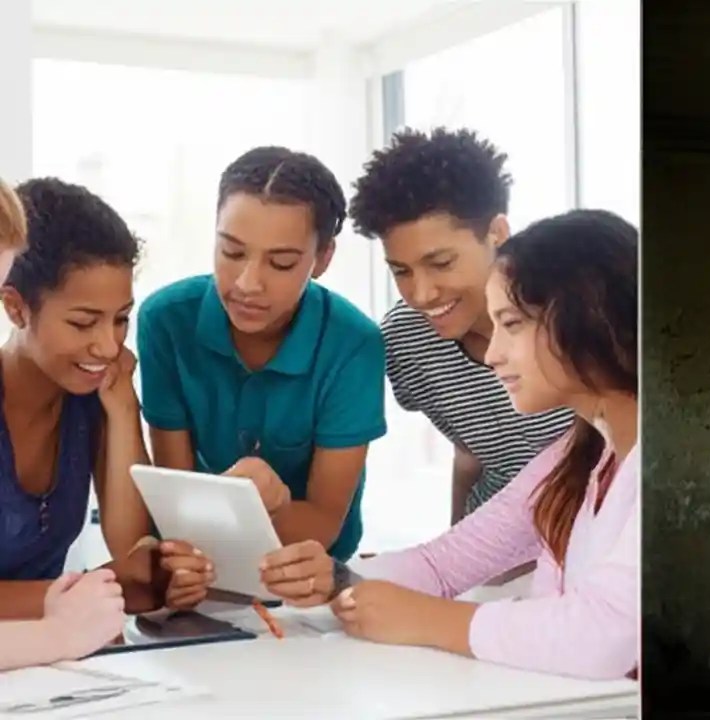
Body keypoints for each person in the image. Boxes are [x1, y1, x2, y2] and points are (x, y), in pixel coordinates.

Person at [260, 209, 638, 680]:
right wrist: (334, 578)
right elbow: (446, 565)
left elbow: (606, 637)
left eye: (512, 324)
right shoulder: (578, 455)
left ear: (587, 315)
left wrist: (427, 619)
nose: (493, 354)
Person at [137, 146, 387, 564]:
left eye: (282, 263)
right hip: (197, 563)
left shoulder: (354, 344)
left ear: (323, 258)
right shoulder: (166, 321)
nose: (248, 284)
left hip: (308, 566)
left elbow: (324, 522)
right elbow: (177, 504)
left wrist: (272, 504)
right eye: (232, 253)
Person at [0, 178, 204, 667]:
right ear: (15, 307)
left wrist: (123, 407)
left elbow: (134, 555)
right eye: (83, 322)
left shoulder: (90, 400)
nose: (109, 346)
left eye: (121, 319)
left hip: (51, 667)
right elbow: (126, 582)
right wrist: (94, 594)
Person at [348, 127, 574, 530]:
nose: (421, 294)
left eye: (441, 263)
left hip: (586, 535)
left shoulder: (574, 315)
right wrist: (452, 549)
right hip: (493, 539)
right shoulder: (406, 340)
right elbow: (470, 453)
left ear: (497, 234)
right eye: (401, 271)